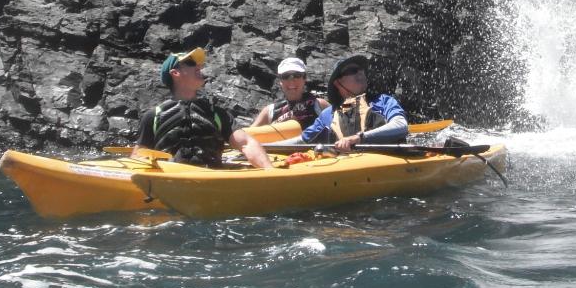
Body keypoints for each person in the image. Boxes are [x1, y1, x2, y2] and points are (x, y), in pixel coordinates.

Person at [134, 47, 272, 169]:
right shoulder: (153, 116)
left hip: (210, 181)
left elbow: (246, 144)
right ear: (175, 73)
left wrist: (270, 171)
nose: (199, 65)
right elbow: (139, 155)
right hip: (170, 182)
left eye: (198, 63)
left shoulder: (217, 113)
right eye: (191, 63)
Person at [297, 54, 408, 151]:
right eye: (352, 71)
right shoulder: (327, 115)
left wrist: (359, 138)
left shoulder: (383, 101)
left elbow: (401, 126)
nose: (360, 72)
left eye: (361, 69)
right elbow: (302, 141)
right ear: (337, 83)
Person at [249, 56, 330, 130]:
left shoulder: (320, 105)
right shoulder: (270, 111)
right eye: (285, 76)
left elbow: (340, 119)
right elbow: (248, 134)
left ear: (304, 78)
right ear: (280, 81)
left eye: (297, 75)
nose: (291, 81)